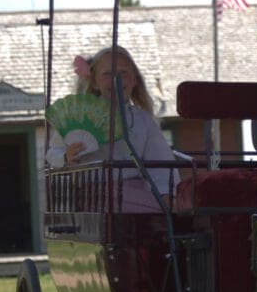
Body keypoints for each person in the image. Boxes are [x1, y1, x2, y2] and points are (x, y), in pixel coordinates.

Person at [48, 45, 191, 208]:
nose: (116, 79)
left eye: (123, 73)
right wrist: (66, 156)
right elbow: (53, 153)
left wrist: (166, 195)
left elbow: (160, 164)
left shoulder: (142, 120)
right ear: (94, 82)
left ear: (134, 80)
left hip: (135, 192)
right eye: (107, 74)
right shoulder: (79, 117)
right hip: (93, 197)